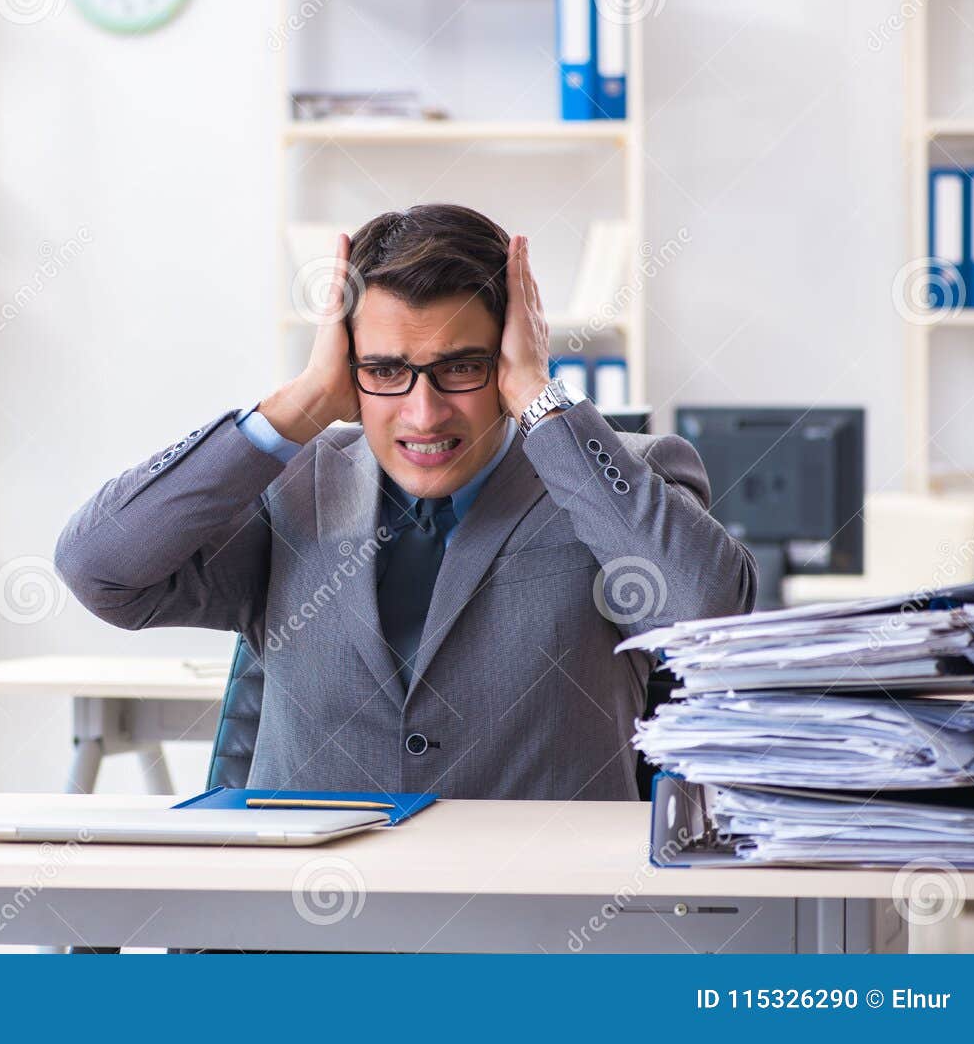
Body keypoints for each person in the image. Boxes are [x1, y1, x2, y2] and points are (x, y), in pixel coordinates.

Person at [54, 204, 755, 800]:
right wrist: (299, 406)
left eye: (460, 368)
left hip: (534, 932)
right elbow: (99, 568)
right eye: (386, 370)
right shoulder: (294, 487)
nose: (424, 414)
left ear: (510, 357)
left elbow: (708, 622)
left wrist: (541, 399)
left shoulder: (619, 482)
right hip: (304, 942)